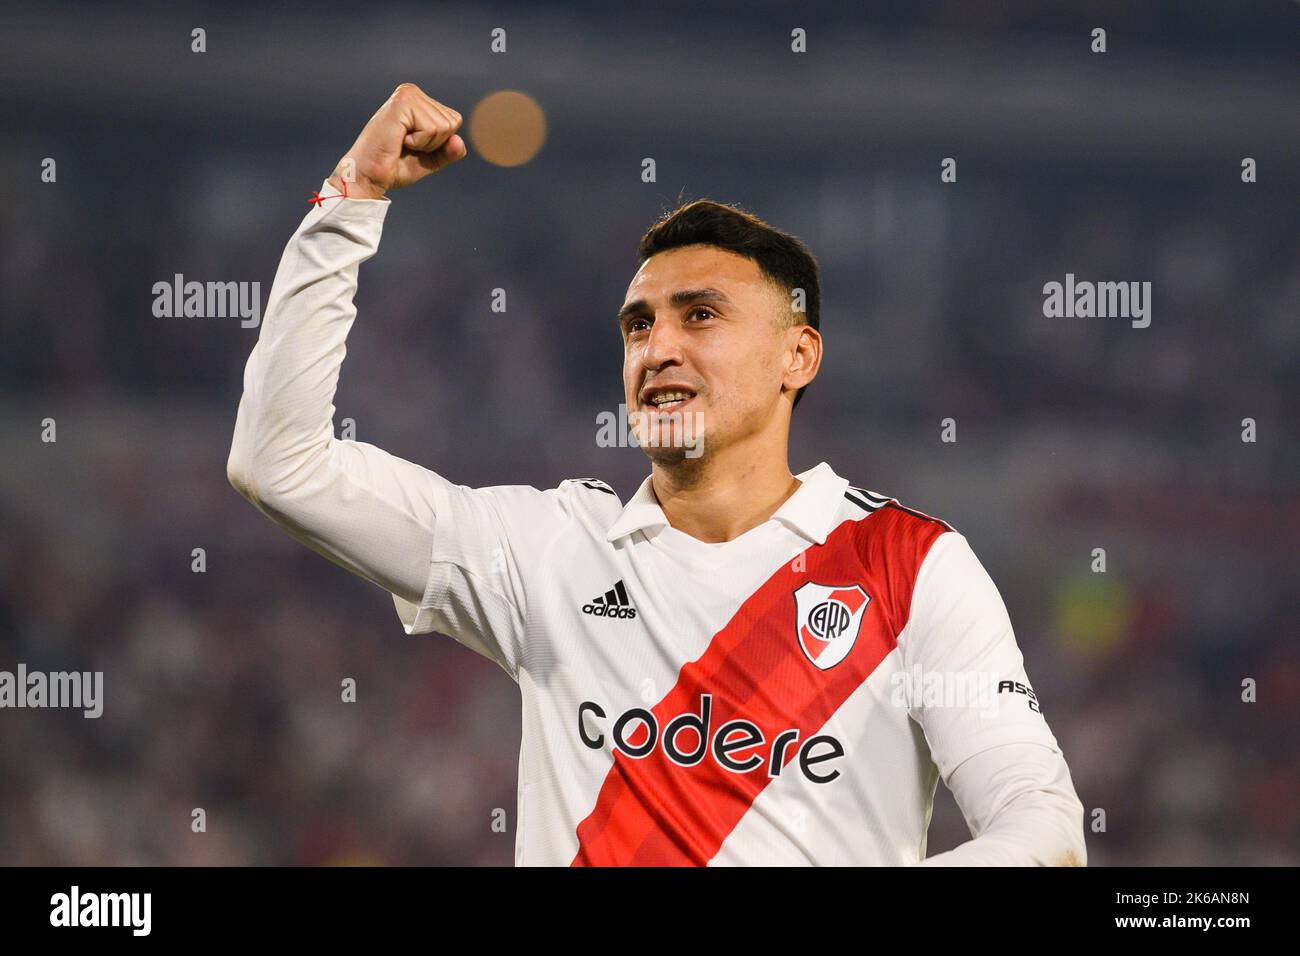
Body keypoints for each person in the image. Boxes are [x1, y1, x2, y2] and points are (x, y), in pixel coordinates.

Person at [227, 82, 1087, 866]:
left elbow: (1042, 834)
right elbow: (282, 462)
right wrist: (353, 197)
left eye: (700, 316)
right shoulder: (549, 552)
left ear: (799, 355)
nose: (658, 348)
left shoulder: (913, 567)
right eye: (639, 326)